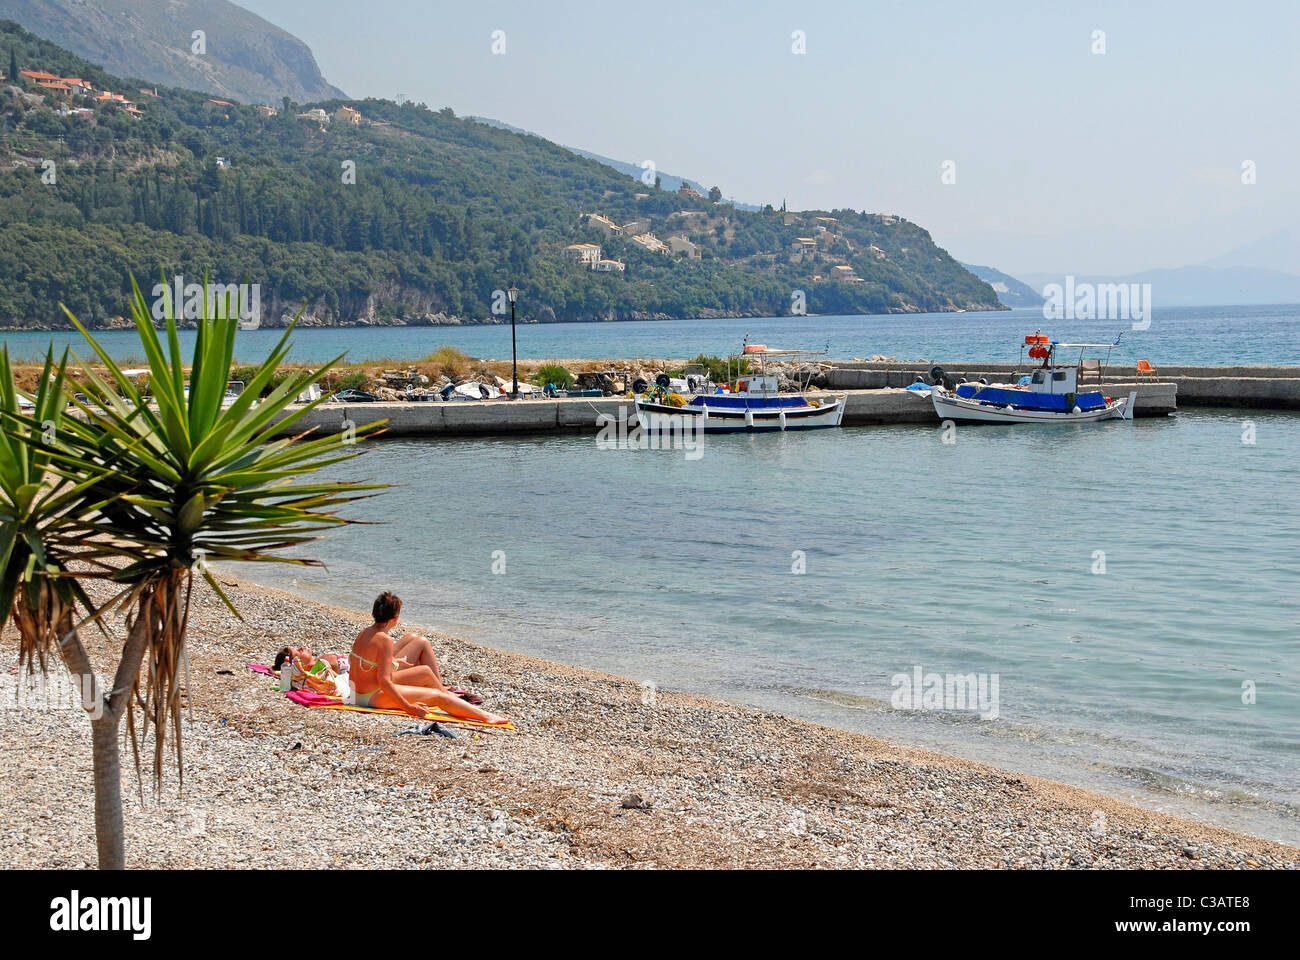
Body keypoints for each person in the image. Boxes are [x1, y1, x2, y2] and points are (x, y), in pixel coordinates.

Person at [350, 592, 509, 725]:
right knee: (437, 696)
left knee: (425, 674)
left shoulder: (365, 632)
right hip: (369, 697)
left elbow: (363, 664)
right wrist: (408, 707)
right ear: (395, 618)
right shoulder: (385, 640)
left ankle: (466, 706)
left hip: (355, 693)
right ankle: (486, 716)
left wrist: (393, 663)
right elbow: (384, 681)